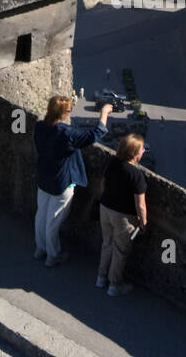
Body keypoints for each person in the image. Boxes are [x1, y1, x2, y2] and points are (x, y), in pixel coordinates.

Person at [34, 95, 113, 267]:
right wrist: (104, 112)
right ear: (63, 114)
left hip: (43, 177)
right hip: (61, 182)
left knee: (41, 215)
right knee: (53, 222)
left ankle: (40, 249)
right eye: (69, 111)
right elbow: (97, 133)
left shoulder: (39, 127)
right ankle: (52, 256)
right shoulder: (66, 134)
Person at [97, 134, 148, 297]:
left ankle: (100, 278)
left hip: (105, 208)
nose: (144, 151)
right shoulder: (137, 175)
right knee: (120, 250)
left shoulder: (112, 162)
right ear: (134, 153)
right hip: (123, 217)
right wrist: (143, 223)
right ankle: (114, 285)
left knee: (107, 243)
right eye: (142, 149)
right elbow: (140, 205)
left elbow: (102, 184)